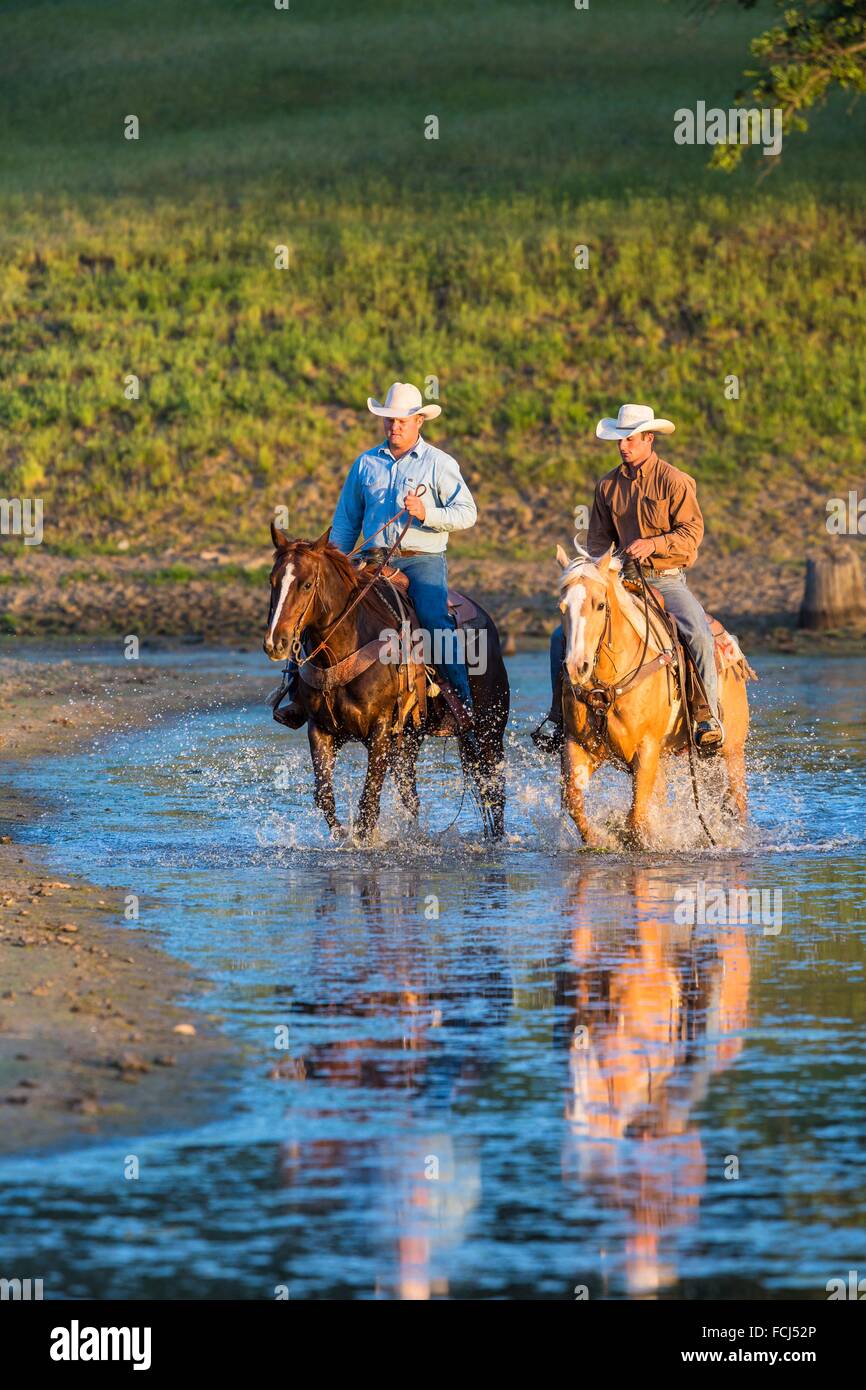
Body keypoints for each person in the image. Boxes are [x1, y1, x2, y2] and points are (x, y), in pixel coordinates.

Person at [275, 381, 478, 733]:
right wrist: (331, 561)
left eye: (401, 420)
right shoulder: (365, 463)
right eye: (389, 420)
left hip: (420, 560)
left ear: (419, 421)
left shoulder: (439, 464)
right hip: (369, 560)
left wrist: (427, 513)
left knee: (432, 618)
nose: (394, 426)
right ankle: (297, 693)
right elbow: (345, 521)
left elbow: (467, 512)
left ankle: (459, 702)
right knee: (314, 606)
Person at [534, 402, 724, 753]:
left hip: (666, 578)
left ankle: (705, 715)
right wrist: (591, 571)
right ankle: (558, 717)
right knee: (560, 638)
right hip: (620, 581)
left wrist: (654, 543)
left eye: (631, 438)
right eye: (620, 439)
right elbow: (597, 543)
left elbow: (692, 533)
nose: (623, 445)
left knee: (697, 632)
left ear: (649, 438)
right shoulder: (607, 486)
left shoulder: (676, 481)